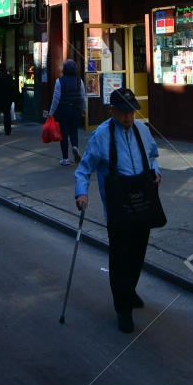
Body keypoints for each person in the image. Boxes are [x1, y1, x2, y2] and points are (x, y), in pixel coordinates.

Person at [75, 87, 160, 334]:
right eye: (123, 112)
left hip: (142, 203)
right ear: (112, 111)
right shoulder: (101, 136)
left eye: (131, 112)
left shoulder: (142, 130)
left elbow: (153, 156)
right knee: (121, 257)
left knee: (138, 254)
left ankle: (130, 290)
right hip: (117, 206)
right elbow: (84, 168)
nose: (128, 117)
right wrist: (82, 192)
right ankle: (123, 309)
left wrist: (156, 172)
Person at [47, 59, 86, 166]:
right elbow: (82, 97)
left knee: (63, 134)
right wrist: (84, 110)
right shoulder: (80, 81)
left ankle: (65, 159)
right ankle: (75, 147)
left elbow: (56, 98)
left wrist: (51, 112)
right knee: (74, 131)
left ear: (64, 69)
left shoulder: (60, 81)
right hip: (75, 110)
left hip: (63, 110)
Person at [0, 62, 17, 136]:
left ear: (0, 69)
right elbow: (12, 88)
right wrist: (12, 98)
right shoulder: (9, 77)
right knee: (7, 114)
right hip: (7, 98)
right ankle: (7, 130)